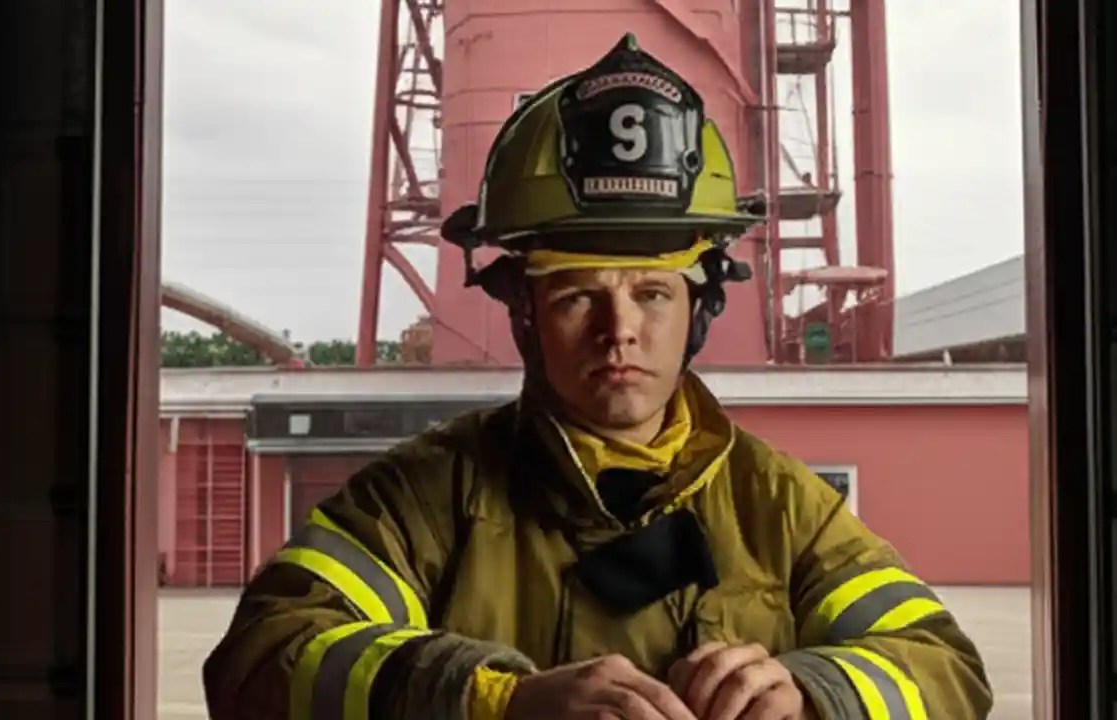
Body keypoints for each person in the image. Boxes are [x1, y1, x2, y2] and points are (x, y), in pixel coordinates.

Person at [203, 34, 993, 720]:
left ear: (701, 310)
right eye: (580, 294)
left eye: (652, 293)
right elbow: (260, 659)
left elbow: (945, 668)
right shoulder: (424, 502)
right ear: (524, 313)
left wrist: (812, 690)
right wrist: (493, 701)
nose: (621, 331)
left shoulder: (782, 506)